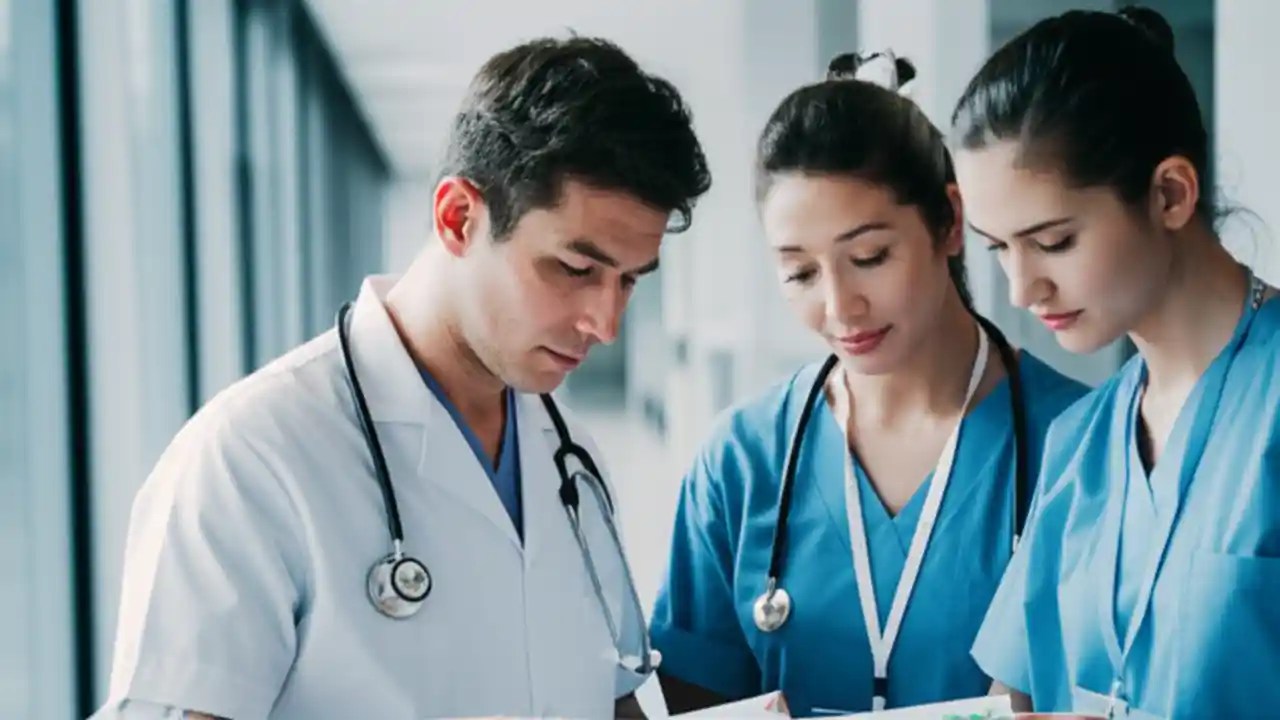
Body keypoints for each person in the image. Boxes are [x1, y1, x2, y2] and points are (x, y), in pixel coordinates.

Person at [91, 36, 711, 720]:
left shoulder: (573, 464)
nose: (605, 323)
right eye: (574, 268)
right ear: (458, 218)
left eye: (628, 282)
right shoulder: (251, 457)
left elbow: (609, 696)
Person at [649, 52, 1087, 717]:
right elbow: (691, 696)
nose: (840, 306)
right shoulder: (742, 461)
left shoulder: (1082, 445)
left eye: (869, 258)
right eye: (799, 273)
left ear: (948, 223)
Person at [952, 7, 1280, 719]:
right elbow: (1015, 700)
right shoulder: (1080, 445)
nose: (1021, 287)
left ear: (1169, 194)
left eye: (1053, 240)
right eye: (999, 247)